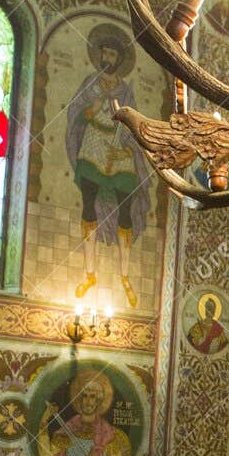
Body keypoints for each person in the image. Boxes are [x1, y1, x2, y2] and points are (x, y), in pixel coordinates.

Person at [64, 24, 150, 308]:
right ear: (99, 56)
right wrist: (89, 110)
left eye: (113, 55)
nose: (108, 59)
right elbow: (75, 112)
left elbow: (137, 126)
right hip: (92, 147)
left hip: (118, 152)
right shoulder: (90, 83)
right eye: (105, 54)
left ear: (119, 60)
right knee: (88, 206)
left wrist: (127, 145)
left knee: (126, 204)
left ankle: (125, 276)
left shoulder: (126, 92)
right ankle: (89, 273)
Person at [37, 369, 131, 456]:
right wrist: (44, 419)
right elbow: (45, 455)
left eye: (93, 397)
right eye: (84, 396)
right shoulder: (68, 429)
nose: (88, 401)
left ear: (99, 401)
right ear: (79, 399)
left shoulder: (109, 434)